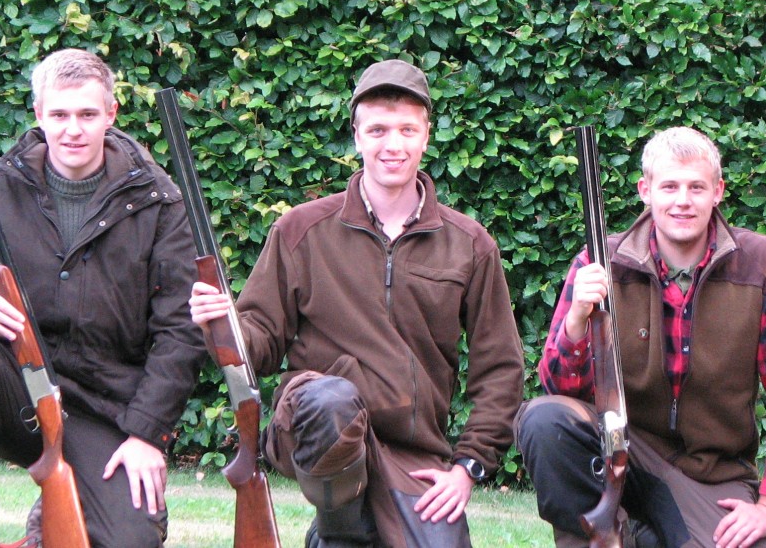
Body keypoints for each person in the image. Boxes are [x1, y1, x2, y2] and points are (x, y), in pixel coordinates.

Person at [188, 58, 524, 547]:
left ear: (427, 136)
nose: (393, 144)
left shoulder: (470, 244)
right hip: (316, 423)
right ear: (357, 135)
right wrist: (223, 324)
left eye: (408, 129)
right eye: (379, 129)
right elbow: (258, 343)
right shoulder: (300, 230)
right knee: (332, 400)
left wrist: (468, 467)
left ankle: (335, 533)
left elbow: (501, 370)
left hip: (414, 451)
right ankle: (339, 530)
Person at [0, 48, 207, 547]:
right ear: (38, 115)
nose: (73, 129)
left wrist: (145, 434)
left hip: (105, 410)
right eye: (60, 115)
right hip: (19, 390)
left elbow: (181, 328)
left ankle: (45, 526)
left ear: (111, 115)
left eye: (88, 114)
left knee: (130, 541)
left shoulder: (159, 201)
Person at [517, 126, 766, 548]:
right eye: (670, 186)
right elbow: (558, 390)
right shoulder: (599, 262)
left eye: (696, 187)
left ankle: (646, 536)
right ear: (645, 190)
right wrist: (575, 323)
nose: (682, 200)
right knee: (542, 420)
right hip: (618, 449)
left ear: (718, 192)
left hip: (711, 472)